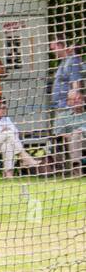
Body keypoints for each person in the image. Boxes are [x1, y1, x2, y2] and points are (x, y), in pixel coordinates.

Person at [0, 100, 41, 178]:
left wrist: (5, 130)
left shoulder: (6, 118)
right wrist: (5, 130)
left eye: (5, 108)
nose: (5, 110)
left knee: (8, 146)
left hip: (2, 143)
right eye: (3, 108)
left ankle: (8, 174)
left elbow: (16, 132)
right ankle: (25, 157)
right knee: (9, 134)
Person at [51, 39, 83, 174]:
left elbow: (76, 81)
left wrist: (76, 99)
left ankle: (73, 168)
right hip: (60, 107)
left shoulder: (72, 60)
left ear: (59, 45)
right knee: (57, 135)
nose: (52, 51)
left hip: (68, 107)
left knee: (71, 134)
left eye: (53, 48)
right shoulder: (63, 62)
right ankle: (60, 168)